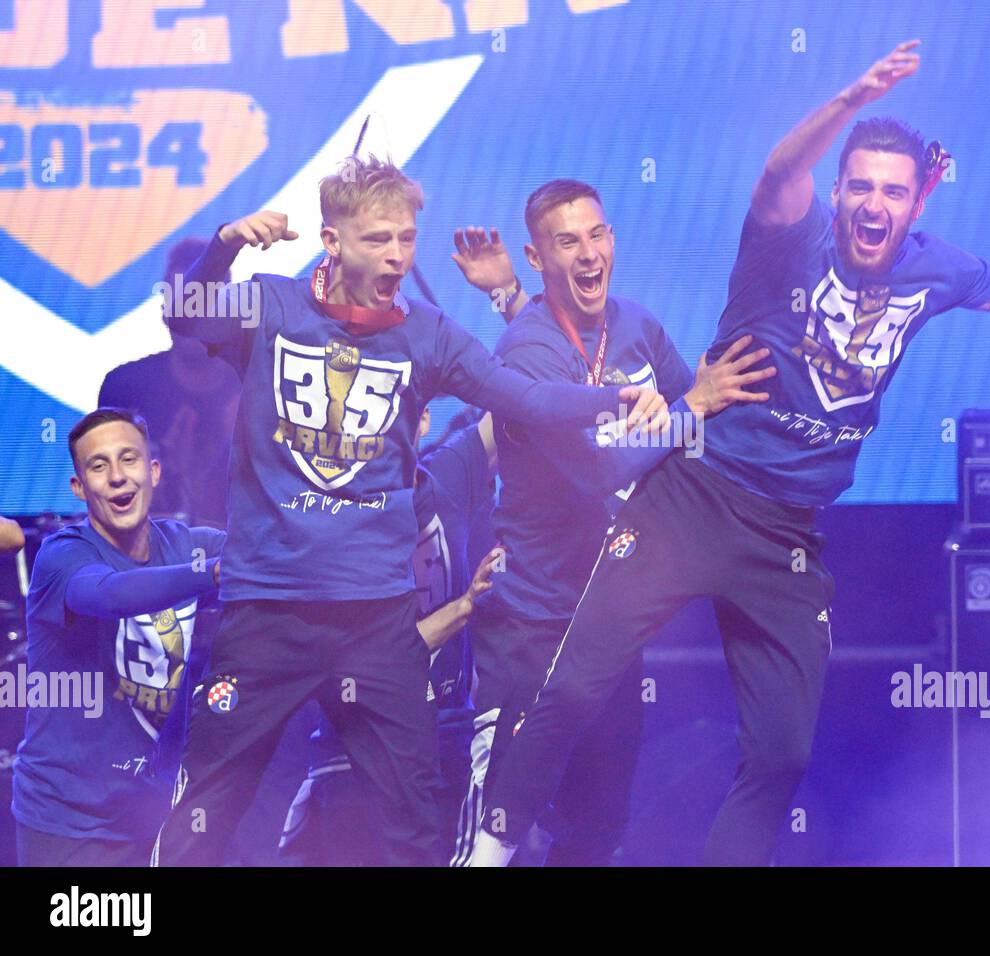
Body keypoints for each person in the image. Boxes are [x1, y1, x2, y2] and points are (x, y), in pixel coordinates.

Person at [469, 39, 990, 866]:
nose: (873, 203)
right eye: (858, 185)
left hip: (785, 536)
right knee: (573, 686)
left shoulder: (936, 273)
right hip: (695, 498)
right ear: (836, 193)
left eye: (891, 191)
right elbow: (777, 171)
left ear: (915, 205)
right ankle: (490, 849)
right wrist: (850, 98)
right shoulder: (788, 242)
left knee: (783, 753)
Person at [152, 155, 668, 866]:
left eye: (405, 239)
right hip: (266, 611)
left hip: (376, 619)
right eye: (376, 240)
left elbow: (527, 399)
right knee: (208, 810)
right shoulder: (269, 306)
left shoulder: (428, 333)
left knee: (412, 825)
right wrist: (226, 245)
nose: (396, 256)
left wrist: (614, 396)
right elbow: (183, 318)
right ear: (332, 242)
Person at [447, 182, 775, 866]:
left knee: (595, 835)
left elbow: (698, 434)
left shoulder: (640, 329)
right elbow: (599, 469)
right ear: (538, 257)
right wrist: (691, 406)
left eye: (598, 235)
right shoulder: (524, 351)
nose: (589, 254)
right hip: (532, 632)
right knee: (494, 841)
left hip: (611, 624)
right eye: (568, 242)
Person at [277, 406, 498, 866]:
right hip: (356, 755)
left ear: (422, 422)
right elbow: (372, 656)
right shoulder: (326, 521)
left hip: (443, 746)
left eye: (398, 418)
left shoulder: (450, 477)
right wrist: (463, 606)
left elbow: (516, 405)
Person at [11, 408, 224, 866]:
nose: (116, 477)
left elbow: (271, 553)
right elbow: (110, 594)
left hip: (153, 816)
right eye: (98, 466)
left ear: (152, 471)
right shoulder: (62, 555)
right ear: (79, 488)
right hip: (67, 825)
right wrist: (212, 574)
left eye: (128, 459)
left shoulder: (189, 546)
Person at [99, 238, 242, 528]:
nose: (188, 312)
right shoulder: (124, 387)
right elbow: (106, 488)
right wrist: (169, 472)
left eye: (200, 299)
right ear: (165, 309)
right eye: (178, 298)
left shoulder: (253, 387)